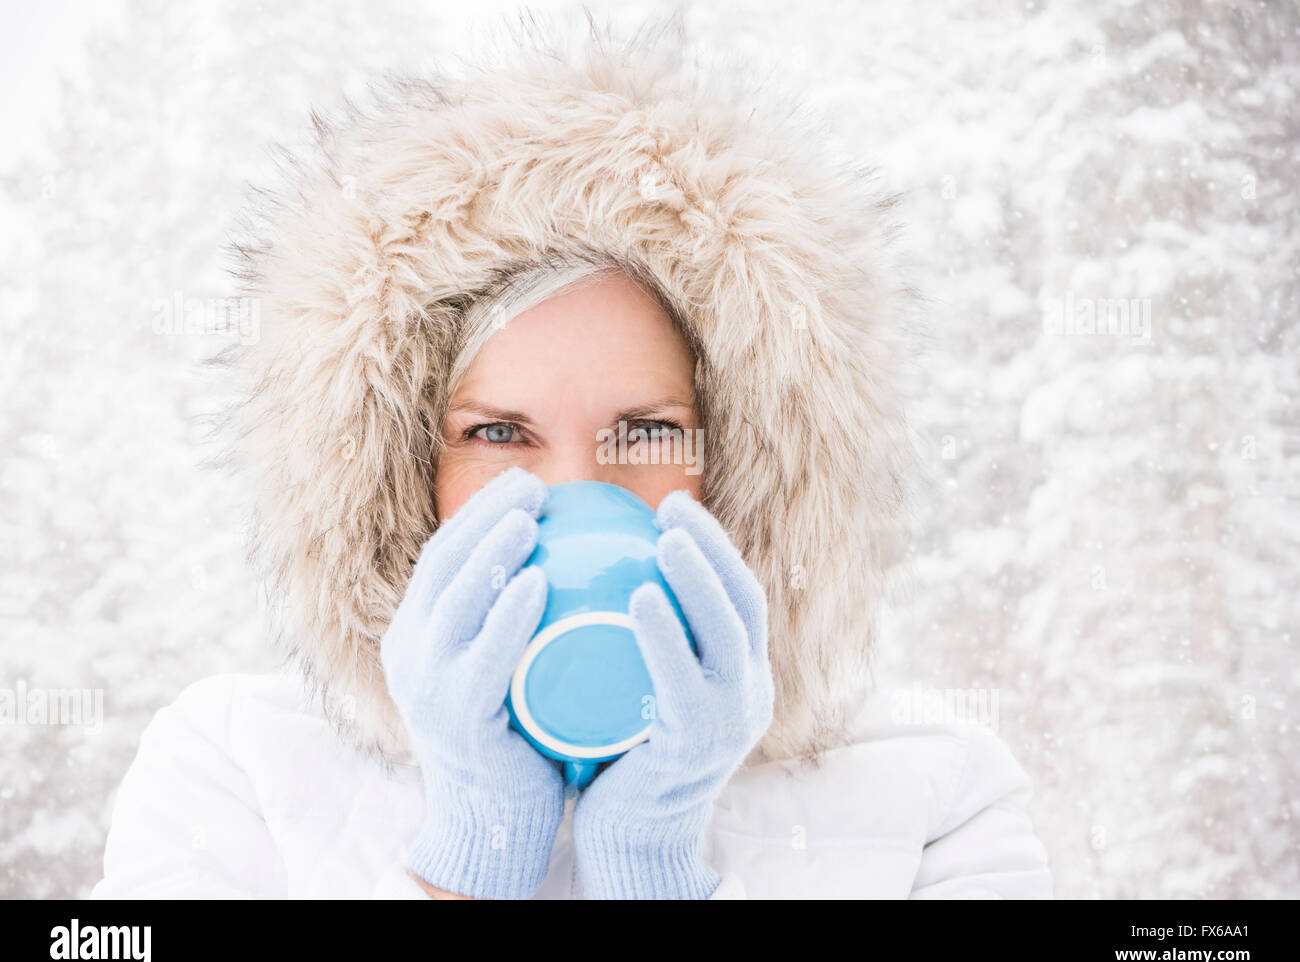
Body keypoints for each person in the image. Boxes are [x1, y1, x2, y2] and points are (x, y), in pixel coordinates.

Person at [90, 10, 1053, 899]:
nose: (574, 490)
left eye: (645, 432)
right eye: (498, 434)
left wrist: (653, 871)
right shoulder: (236, 772)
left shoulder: (932, 798)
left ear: (745, 466)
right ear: (398, 473)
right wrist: (469, 861)